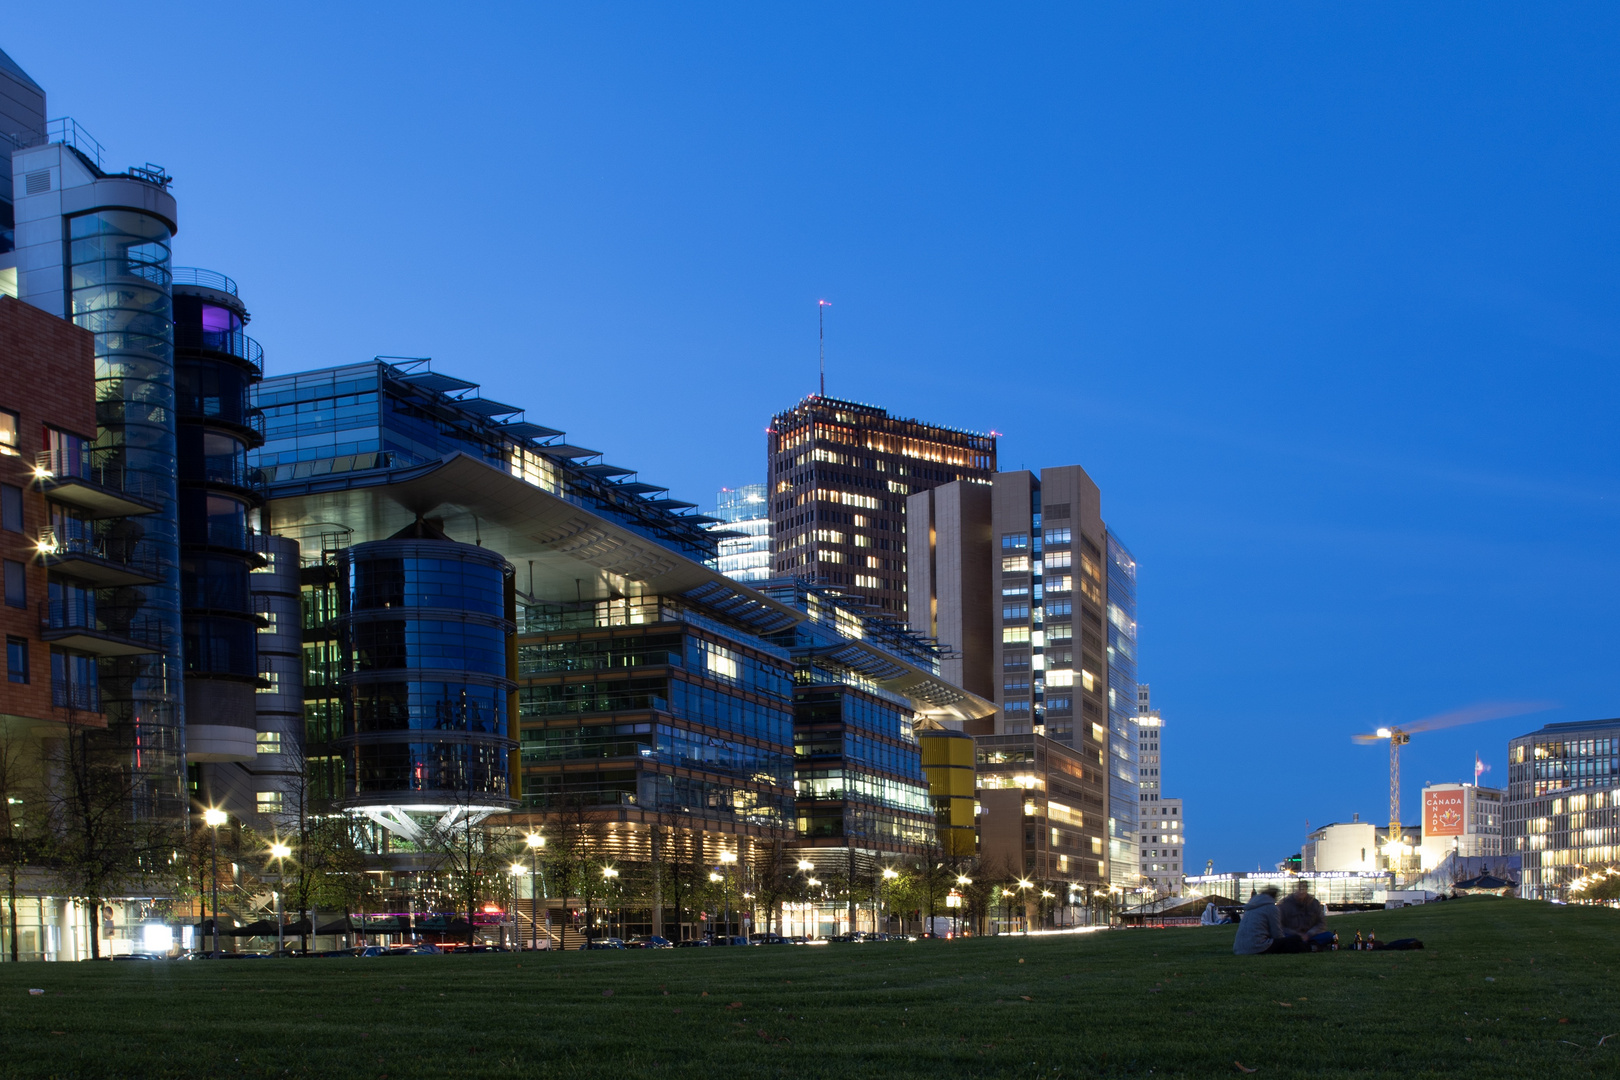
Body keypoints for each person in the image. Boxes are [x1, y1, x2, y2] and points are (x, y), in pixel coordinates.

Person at [1232, 887, 1308, 954]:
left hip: (1240, 948)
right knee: (1295, 939)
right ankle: (1311, 948)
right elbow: (1276, 933)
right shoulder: (1271, 908)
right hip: (1257, 947)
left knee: (1292, 940)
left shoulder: (1251, 907)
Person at [1278, 881, 1336, 951]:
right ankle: (1312, 946)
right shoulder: (1285, 904)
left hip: (1311, 936)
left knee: (1329, 936)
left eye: (1303, 889)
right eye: (1299, 889)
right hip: (1292, 935)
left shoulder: (1314, 903)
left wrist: (1309, 934)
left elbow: (1321, 923)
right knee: (1283, 938)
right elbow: (1280, 925)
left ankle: (1303, 946)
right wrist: (1297, 935)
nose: (1301, 892)